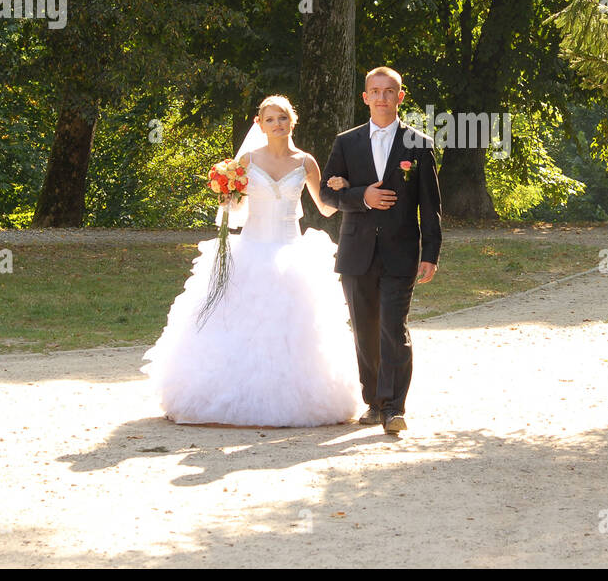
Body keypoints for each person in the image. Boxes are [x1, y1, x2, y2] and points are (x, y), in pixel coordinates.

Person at [140, 95, 360, 427]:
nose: (277, 124)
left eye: (282, 118)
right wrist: (226, 195)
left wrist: (343, 187)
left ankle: (293, 400)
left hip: (290, 250)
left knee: (292, 331)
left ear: (292, 122)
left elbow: (326, 207)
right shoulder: (246, 160)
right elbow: (234, 211)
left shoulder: (306, 162)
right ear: (260, 124)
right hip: (252, 249)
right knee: (241, 327)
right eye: (270, 119)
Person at [319, 66, 442, 436]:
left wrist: (430, 253)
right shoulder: (347, 142)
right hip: (356, 252)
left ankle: (393, 408)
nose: (383, 97)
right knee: (364, 331)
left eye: (390, 91)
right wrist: (361, 196)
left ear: (400, 97)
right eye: (376, 91)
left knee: (393, 327)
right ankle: (373, 401)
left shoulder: (419, 144)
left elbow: (430, 204)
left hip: (400, 252)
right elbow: (327, 194)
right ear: (366, 97)